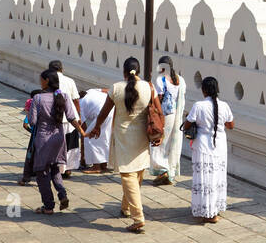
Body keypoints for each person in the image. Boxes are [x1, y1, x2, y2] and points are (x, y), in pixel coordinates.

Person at [90, 57, 161, 233]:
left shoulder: (116, 88)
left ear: (124, 71)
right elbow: (159, 111)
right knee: (137, 171)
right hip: (142, 135)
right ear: (139, 71)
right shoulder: (149, 87)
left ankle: (138, 217)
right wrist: (160, 133)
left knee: (128, 174)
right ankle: (126, 207)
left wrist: (97, 127)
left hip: (123, 135)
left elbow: (104, 113)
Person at [25, 69, 82, 215]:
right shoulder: (63, 96)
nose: (40, 82)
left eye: (41, 79)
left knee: (42, 172)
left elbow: (32, 121)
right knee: (55, 168)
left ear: (47, 81)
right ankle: (62, 194)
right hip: (59, 138)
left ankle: (48, 205)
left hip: (44, 139)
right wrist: (82, 132)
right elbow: (71, 117)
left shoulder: (38, 98)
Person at [184, 76, 235, 223]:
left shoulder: (199, 106)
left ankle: (207, 211)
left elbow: (187, 125)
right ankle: (214, 209)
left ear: (203, 90)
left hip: (203, 147)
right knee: (217, 177)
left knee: (204, 179)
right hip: (219, 147)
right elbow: (231, 125)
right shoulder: (224, 106)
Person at [149, 56, 187, 186]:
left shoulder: (161, 80)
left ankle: (163, 170)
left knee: (159, 143)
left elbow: (158, 98)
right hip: (176, 116)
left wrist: (155, 114)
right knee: (171, 143)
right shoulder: (180, 80)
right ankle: (169, 172)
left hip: (164, 115)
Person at [48, 60, 82, 177]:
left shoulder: (48, 80)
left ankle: (57, 168)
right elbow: (76, 100)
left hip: (54, 117)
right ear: (61, 69)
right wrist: (78, 116)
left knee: (56, 144)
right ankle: (68, 169)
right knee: (70, 144)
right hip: (70, 117)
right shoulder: (69, 81)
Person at [77, 86, 112, 174]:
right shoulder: (91, 90)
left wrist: (83, 157)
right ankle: (103, 165)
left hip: (103, 113)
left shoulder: (78, 105)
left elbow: (83, 130)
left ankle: (96, 166)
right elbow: (109, 90)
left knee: (90, 138)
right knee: (103, 139)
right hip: (112, 110)